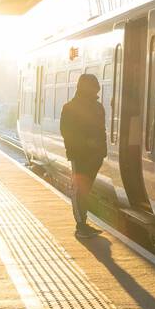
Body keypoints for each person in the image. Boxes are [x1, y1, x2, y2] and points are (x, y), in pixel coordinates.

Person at [60, 73, 106, 240]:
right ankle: (81, 226)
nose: (96, 88)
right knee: (80, 190)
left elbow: (102, 131)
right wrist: (85, 146)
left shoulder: (98, 107)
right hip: (79, 157)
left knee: (86, 191)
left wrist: (101, 152)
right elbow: (67, 133)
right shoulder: (70, 108)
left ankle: (84, 224)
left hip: (95, 157)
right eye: (93, 86)